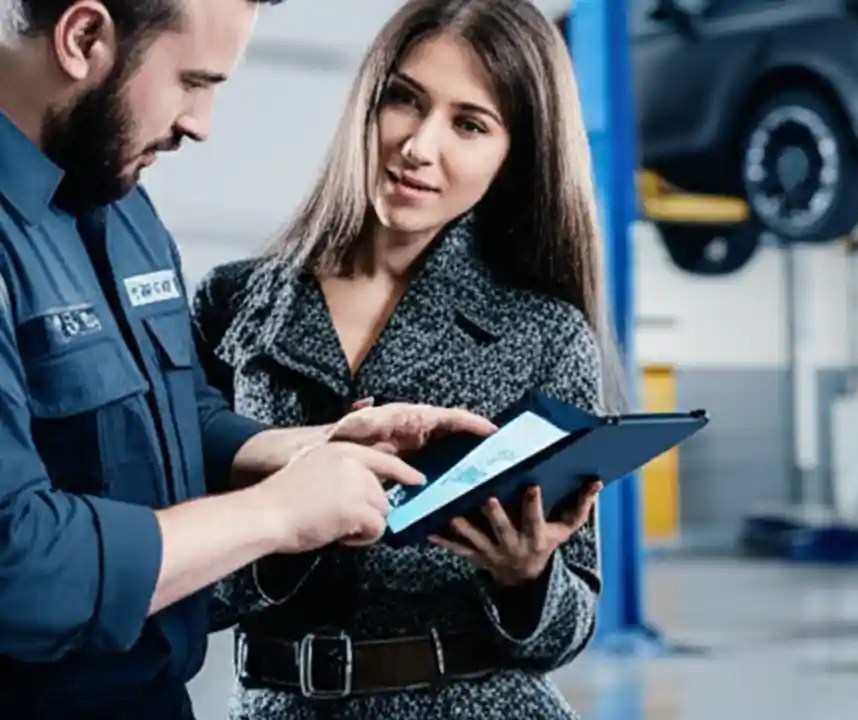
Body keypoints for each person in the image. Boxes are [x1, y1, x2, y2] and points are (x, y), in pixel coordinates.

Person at [0, 1, 496, 718]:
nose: (200, 123)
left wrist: (303, 448)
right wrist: (276, 514)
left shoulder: (120, 204)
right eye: (192, 82)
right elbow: (19, 568)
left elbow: (167, 412)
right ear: (83, 38)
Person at [193, 0, 622, 716]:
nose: (420, 146)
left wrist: (529, 578)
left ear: (515, 154)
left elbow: (570, 627)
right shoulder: (233, 305)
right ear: (369, 99)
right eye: (405, 100)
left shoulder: (546, 333)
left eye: (470, 124)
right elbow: (172, 568)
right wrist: (285, 524)